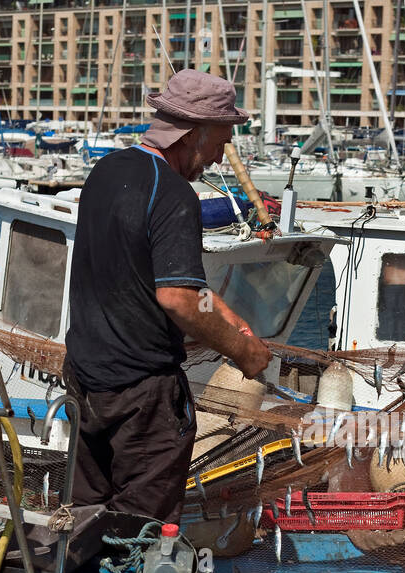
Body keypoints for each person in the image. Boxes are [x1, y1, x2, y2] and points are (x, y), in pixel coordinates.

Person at [64, 69, 272, 524]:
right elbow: (176, 297)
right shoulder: (174, 193)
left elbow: (166, 279)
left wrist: (227, 314)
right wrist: (243, 351)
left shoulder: (106, 171)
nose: (218, 158)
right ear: (193, 135)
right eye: (220, 142)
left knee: (88, 516)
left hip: (86, 378)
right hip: (141, 392)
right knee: (142, 528)